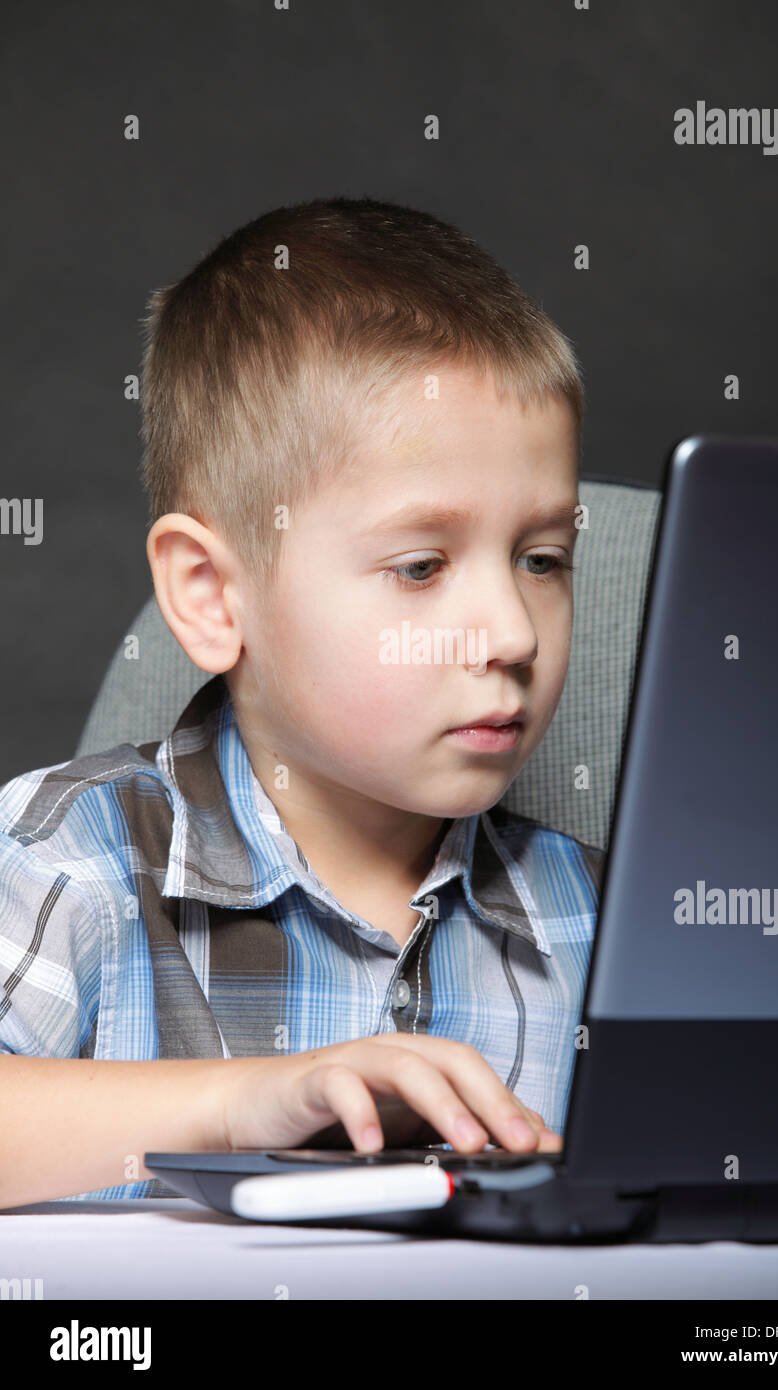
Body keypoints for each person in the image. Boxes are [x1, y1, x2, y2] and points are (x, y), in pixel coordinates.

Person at [0, 197, 602, 1207]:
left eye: (541, 558)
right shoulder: (70, 858)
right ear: (211, 594)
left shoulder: (601, 920)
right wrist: (238, 1104)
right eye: (420, 567)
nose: (510, 633)